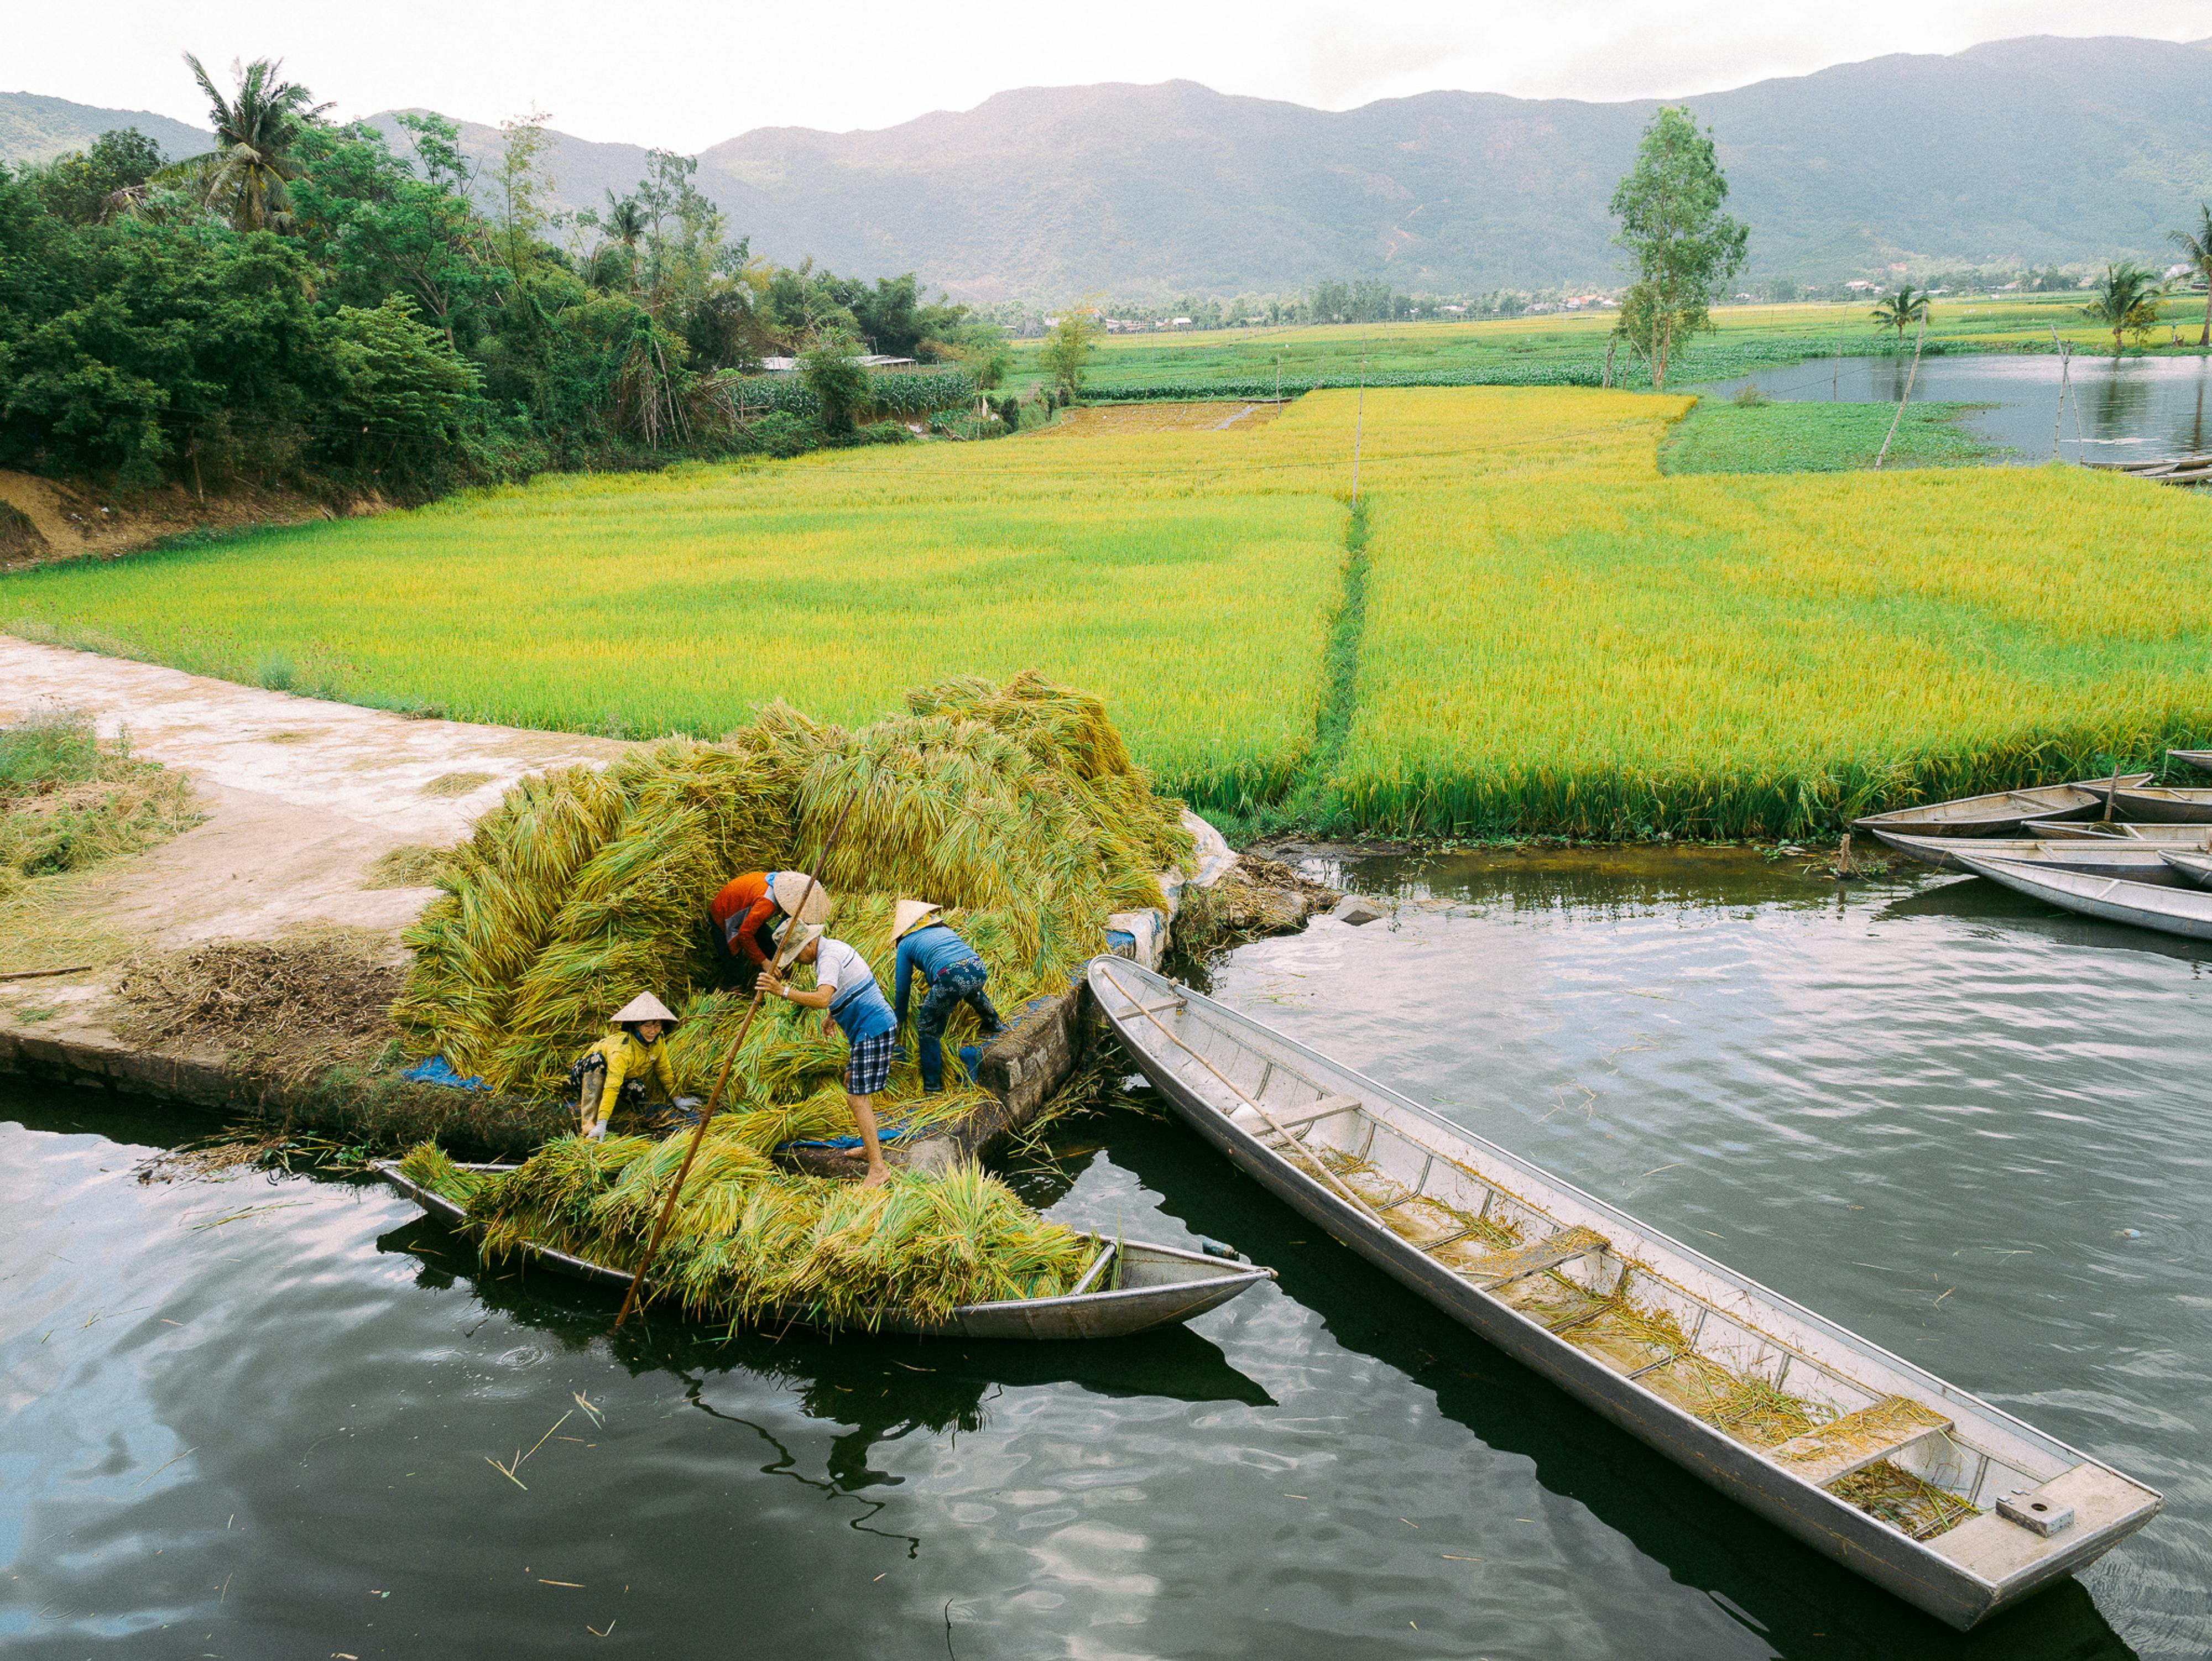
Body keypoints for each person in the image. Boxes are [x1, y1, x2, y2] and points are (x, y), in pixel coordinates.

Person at [761, 922, 895, 1188]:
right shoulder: (827, 953)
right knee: (851, 1082)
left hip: (873, 1028)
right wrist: (833, 1016)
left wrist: (782, 992)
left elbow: (823, 997)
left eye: (797, 953)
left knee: (856, 1098)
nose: (798, 961)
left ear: (809, 944)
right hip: (864, 1030)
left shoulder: (829, 957)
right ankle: (871, 1148)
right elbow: (848, 987)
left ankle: (878, 1169)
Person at [890, 901, 1004, 1093]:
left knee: (927, 1027)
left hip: (950, 978)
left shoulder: (906, 944)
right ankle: (994, 1023)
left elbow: (902, 988)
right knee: (971, 991)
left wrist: (899, 1017)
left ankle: (932, 1085)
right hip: (978, 967)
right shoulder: (945, 931)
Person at [574, 992, 682, 1141]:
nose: (653, 1031)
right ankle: (589, 1123)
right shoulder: (622, 1050)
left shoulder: (658, 1042)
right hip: (586, 1077)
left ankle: (612, 1110)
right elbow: (612, 1085)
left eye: (657, 1025)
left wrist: (677, 1098)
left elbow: (664, 1071)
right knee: (596, 1061)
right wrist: (602, 1123)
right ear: (636, 1026)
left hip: (617, 1080)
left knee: (638, 1090)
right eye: (647, 1025)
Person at [707, 869, 831, 992]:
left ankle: (784, 986)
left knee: (773, 949)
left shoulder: (779, 884)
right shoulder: (767, 904)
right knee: (735, 969)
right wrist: (764, 962)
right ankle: (729, 997)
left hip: (749, 915)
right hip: (724, 916)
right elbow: (744, 934)